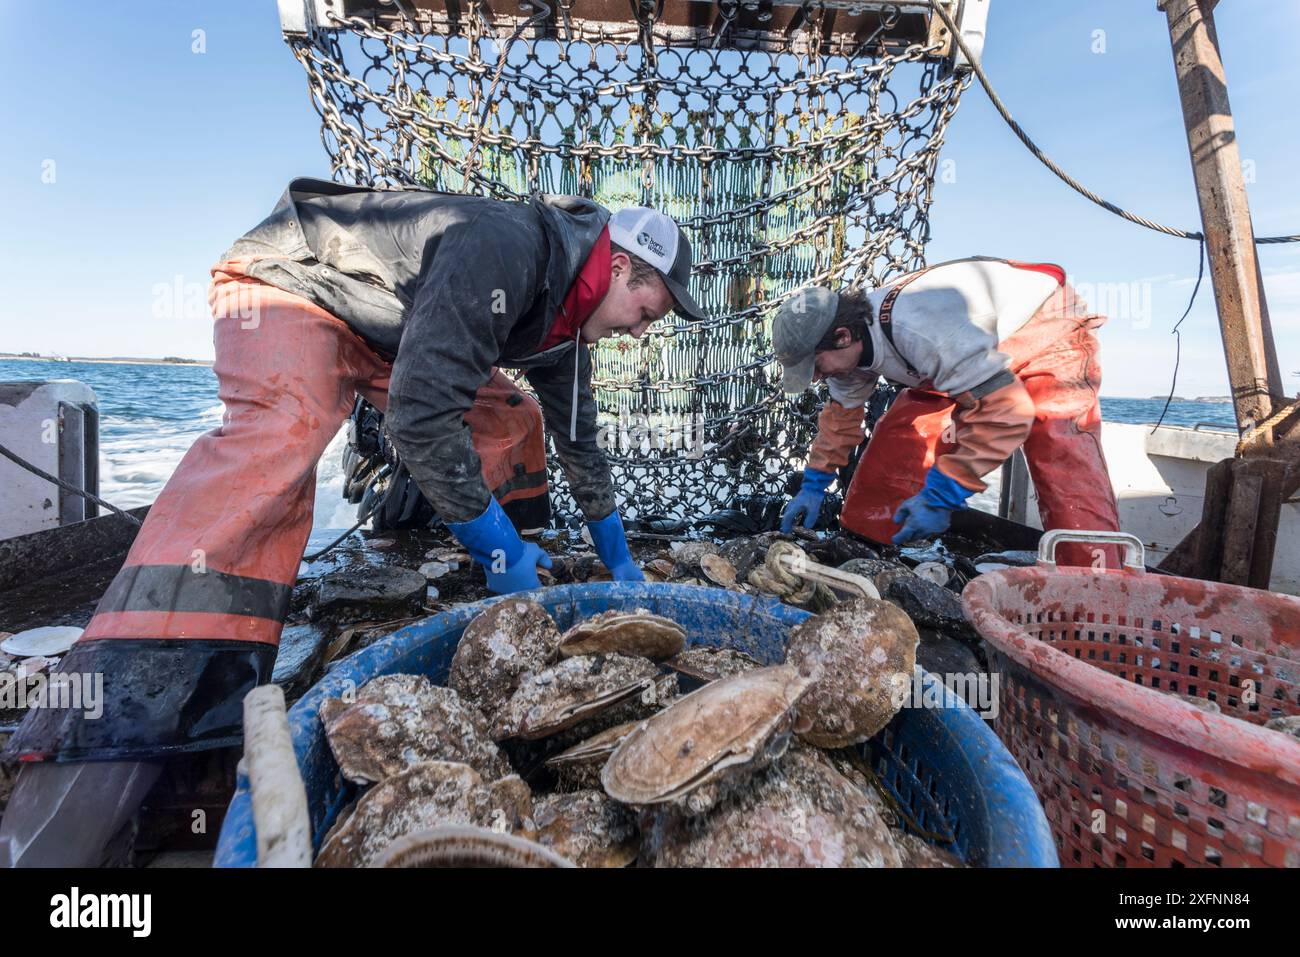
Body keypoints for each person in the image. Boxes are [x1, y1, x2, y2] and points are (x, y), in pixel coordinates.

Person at [0, 179, 705, 865]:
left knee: (511, 420)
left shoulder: (565, 325)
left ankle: (501, 595)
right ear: (618, 267)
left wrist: (619, 559)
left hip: (386, 332)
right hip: (290, 286)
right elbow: (422, 413)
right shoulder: (508, 246)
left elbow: (577, 441)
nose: (645, 331)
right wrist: (496, 544)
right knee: (280, 447)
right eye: (650, 310)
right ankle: (104, 749)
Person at [774, 257, 1120, 565]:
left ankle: (1097, 586)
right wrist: (815, 485)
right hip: (958, 359)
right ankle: (867, 554)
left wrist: (943, 494)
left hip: (1041, 324)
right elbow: (840, 421)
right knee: (896, 445)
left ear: (843, 337)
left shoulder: (922, 329)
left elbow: (1008, 416)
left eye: (816, 366)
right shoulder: (849, 359)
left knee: (1058, 446)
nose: (816, 377)